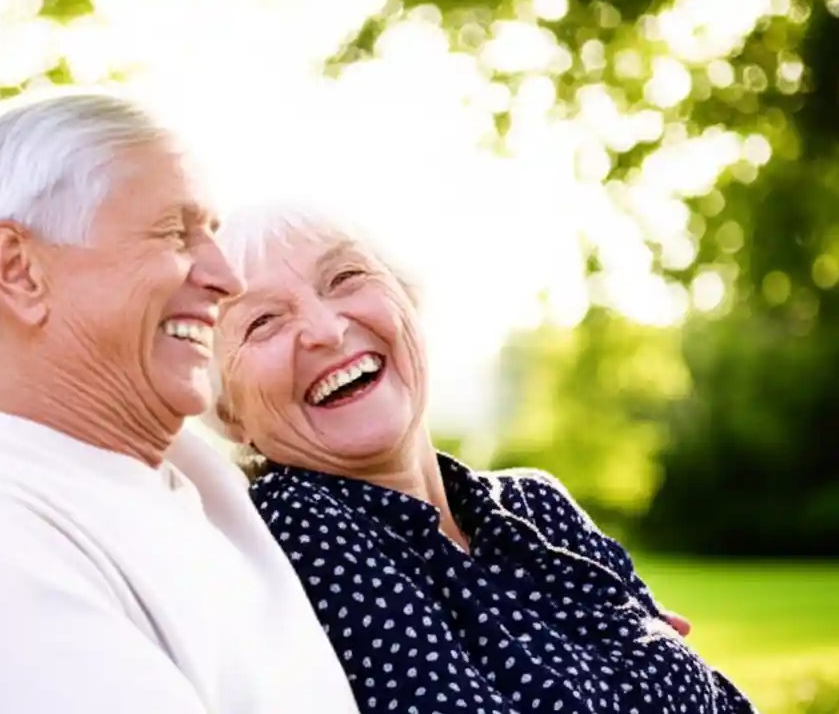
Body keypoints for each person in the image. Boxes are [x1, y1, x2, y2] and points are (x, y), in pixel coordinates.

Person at [0, 96, 359, 714]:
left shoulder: (199, 484)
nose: (227, 278)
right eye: (175, 233)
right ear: (21, 271)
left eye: (212, 235)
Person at [207, 204, 757, 713]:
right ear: (228, 412)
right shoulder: (299, 527)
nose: (325, 330)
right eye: (263, 323)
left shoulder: (534, 503)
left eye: (345, 278)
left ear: (407, 301)